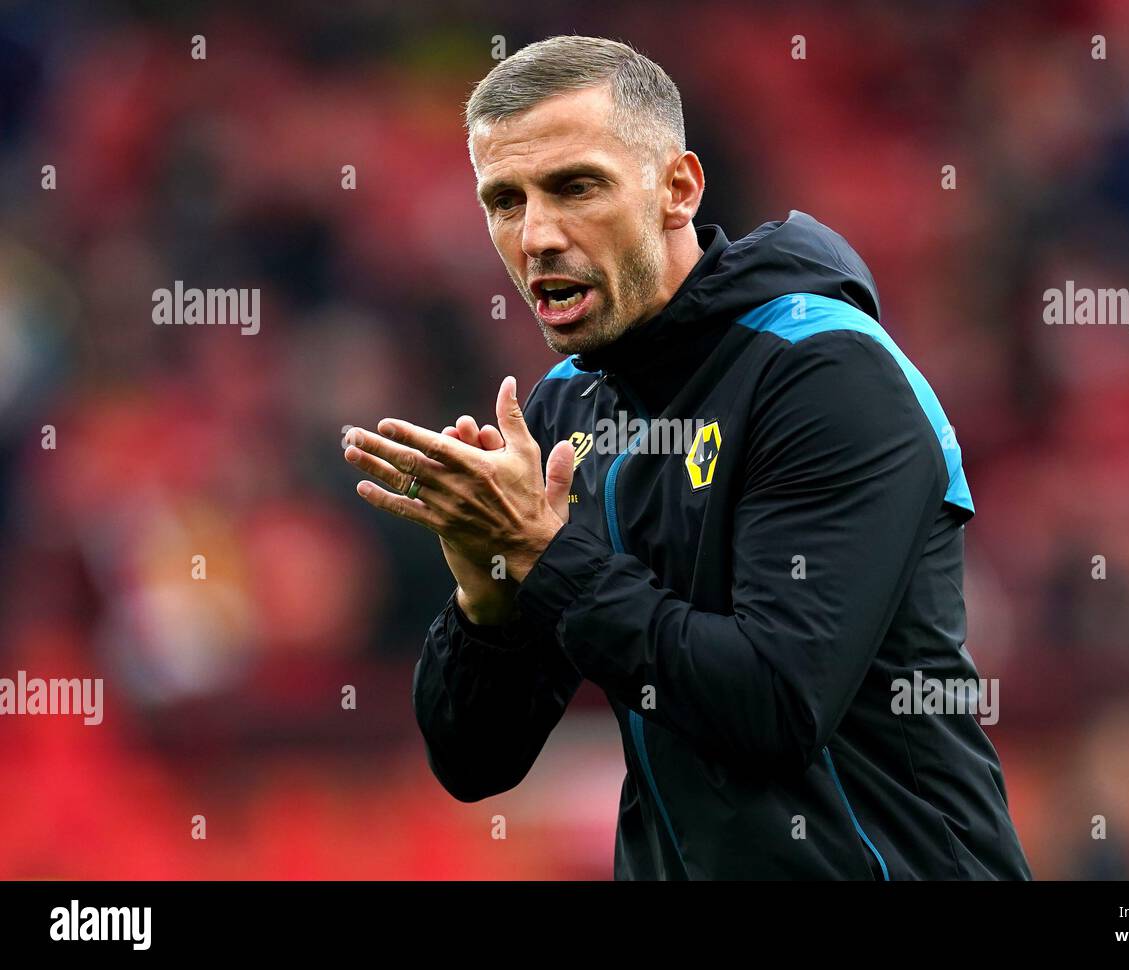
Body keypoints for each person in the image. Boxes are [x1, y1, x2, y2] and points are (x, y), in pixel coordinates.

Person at [342, 35, 1031, 880]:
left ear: (677, 189)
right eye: (504, 200)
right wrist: (486, 605)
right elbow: (476, 764)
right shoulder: (566, 408)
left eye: (575, 186)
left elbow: (777, 703)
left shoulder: (827, 374)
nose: (537, 235)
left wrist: (544, 553)